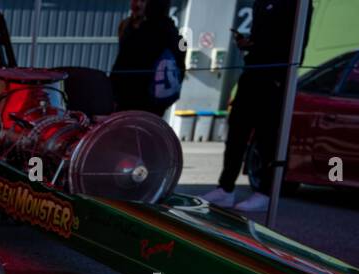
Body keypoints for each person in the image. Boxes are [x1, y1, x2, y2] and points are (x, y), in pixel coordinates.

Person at [203, 0, 310, 212]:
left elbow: (295, 43)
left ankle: (265, 192)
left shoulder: (298, 5)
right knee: (236, 131)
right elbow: (264, 37)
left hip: (274, 77)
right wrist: (249, 43)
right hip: (252, 71)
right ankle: (225, 188)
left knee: (267, 137)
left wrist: (281, 74)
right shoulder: (260, 2)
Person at [109, 0, 185, 116]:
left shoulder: (150, 33)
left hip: (137, 102)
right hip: (150, 103)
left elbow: (123, 69)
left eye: (143, 1)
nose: (137, 4)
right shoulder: (129, 27)